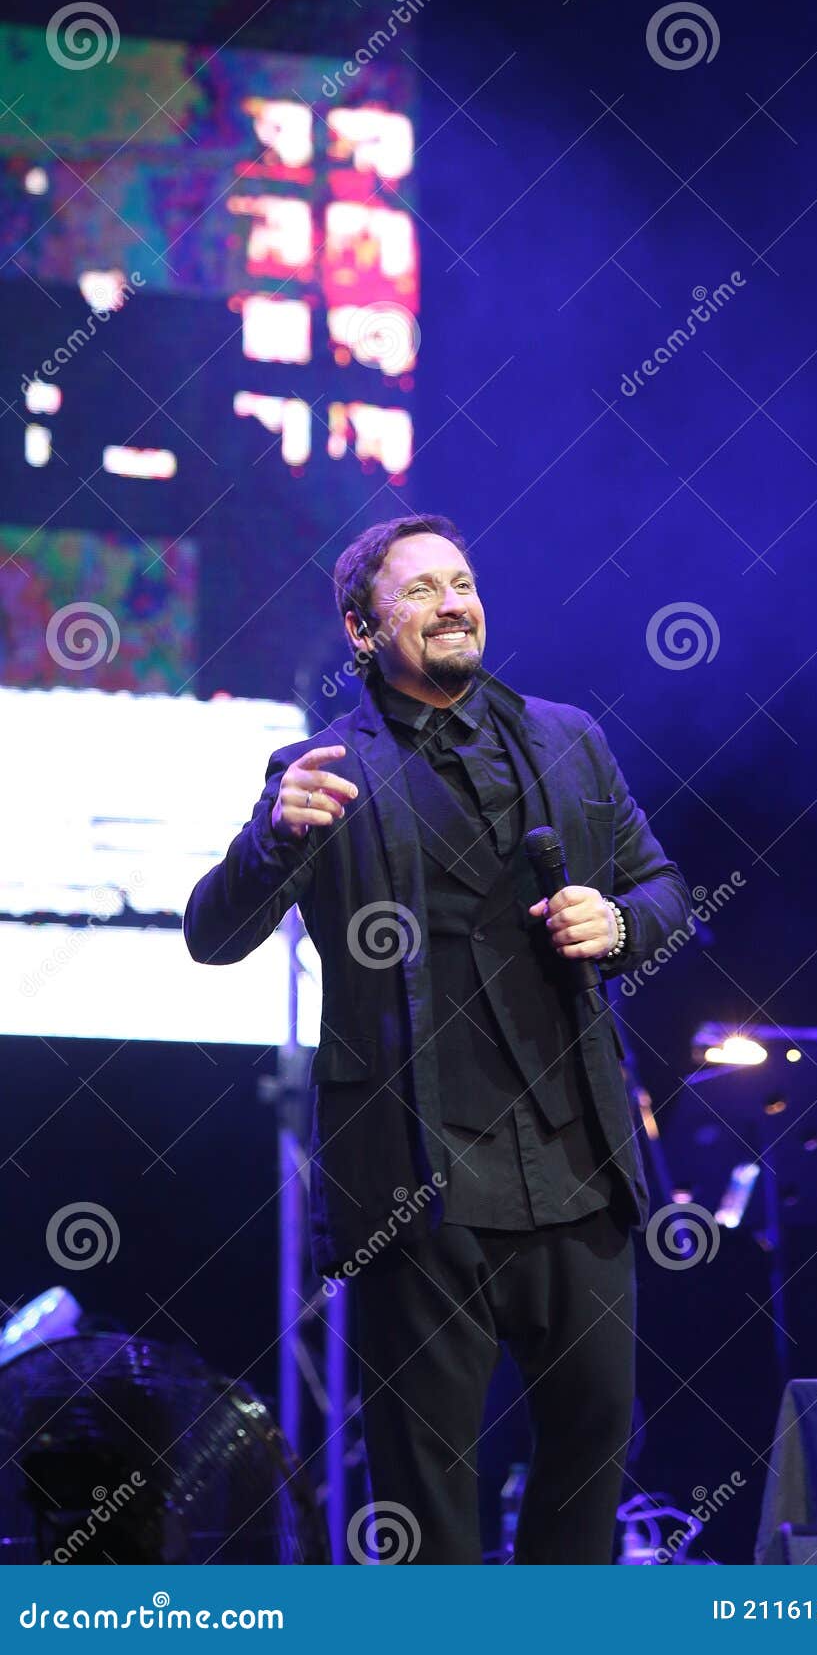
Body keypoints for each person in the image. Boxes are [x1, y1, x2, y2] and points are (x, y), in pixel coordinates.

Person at [183, 513, 691, 1562]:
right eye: (418, 591)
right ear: (362, 629)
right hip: (418, 1183)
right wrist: (266, 838)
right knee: (427, 1492)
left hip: (575, 1169)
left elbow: (660, 885)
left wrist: (624, 922)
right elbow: (211, 936)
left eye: (460, 582)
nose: (451, 602)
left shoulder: (566, 739)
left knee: (590, 1455)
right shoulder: (319, 770)